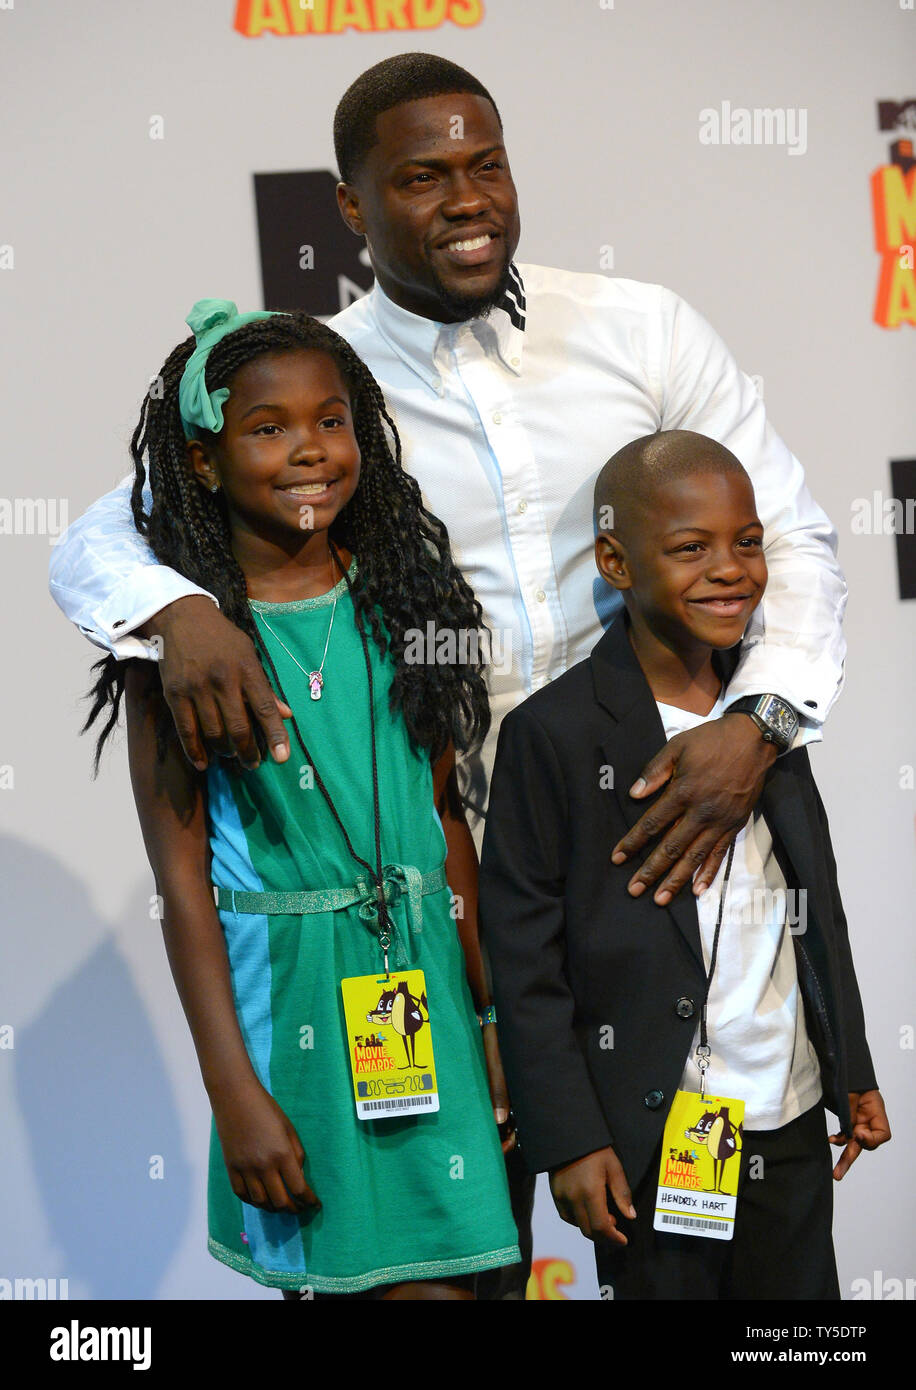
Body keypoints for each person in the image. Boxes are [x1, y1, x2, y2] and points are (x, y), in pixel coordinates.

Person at [50, 53, 849, 1298]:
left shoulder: (641, 328)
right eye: (422, 177)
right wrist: (176, 606)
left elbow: (788, 532)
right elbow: (109, 529)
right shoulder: (325, 384)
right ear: (353, 209)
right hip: (458, 900)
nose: (466, 199)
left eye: (485, 165)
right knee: (458, 1256)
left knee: (704, 1265)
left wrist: (758, 718)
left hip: (649, 859)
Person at [84, 298, 520, 1299]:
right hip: (294, 1007)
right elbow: (183, 886)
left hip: (427, 1002)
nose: (310, 449)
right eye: (267, 427)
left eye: (331, 420)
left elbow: (445, 816)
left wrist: (490, 1021)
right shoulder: (183, 655)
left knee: (467, 1275)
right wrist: (234, 1095)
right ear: (202, 460)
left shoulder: (405, 599)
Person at [478, 429, 891, 1300]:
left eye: (747, 542)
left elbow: (814, 901)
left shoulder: (769, 715)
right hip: (652, 1131)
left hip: (783, 1112)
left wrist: (849, 1064)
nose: (731, 569)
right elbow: (525, 957)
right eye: (691, 547)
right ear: (617, 562)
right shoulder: (553, 734)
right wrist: (572, 1137)